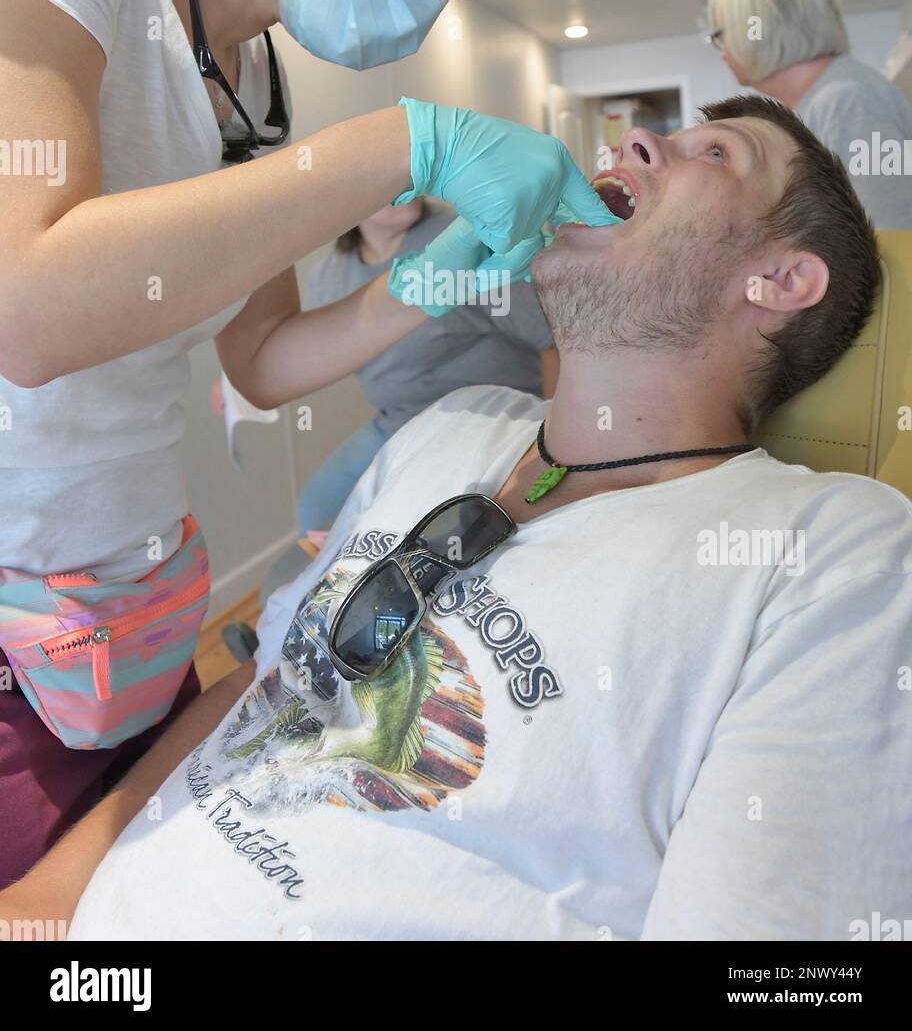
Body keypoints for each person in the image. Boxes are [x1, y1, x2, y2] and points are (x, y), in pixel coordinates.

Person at [6, 95, 909, 942]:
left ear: (783, 279)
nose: (640, 141)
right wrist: (51, 894)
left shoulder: (834, 554)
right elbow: (262, 688)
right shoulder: (451, 426)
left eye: (717, 152)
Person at [0, 0, 612, 886]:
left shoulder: (249, 87)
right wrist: (401, 142)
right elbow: (24, 304)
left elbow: (266, 357)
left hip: (122, 622)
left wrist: (437, 276)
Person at [220, 194, 557, 662]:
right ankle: (297, 634)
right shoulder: (330, 273)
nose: (407, 188)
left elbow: (549, 337)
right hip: (394, 424)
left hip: (476, 425)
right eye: (389, 181)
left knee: (419, 533)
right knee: (317, 505)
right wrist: (236, 385)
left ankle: (377, 641)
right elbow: (303, 353)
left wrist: (552, 429)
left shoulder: (459, 243)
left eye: (413, 177)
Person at [707, 0, 912, 228]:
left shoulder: (846, 103)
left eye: (720, 34)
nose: (723, 50)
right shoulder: (823, 104)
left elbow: (898, 239)